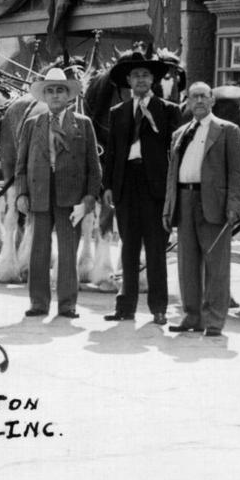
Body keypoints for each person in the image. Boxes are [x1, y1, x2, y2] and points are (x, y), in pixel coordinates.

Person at [101, 49, 181, 325]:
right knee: (128, 247)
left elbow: (175, 153)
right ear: (129, 81)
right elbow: (112, 153)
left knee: (156, 248)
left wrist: (173, 192)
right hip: (126, 185)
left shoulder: (169, 111)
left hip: (155, 186)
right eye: (136, 75)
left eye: (146, 75)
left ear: (153, 80)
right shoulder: (119, 112)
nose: (141, 80)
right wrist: (108, 185)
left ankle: (158, 308)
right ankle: (126, 307)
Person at [14, 67, 102, 319]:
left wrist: (89, 198)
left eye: (60, 91)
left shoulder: (83, 125)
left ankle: (67, 304)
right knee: (39, 251)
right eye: (50, 91)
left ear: (68, 96)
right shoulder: (33, 124)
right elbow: (21, 164)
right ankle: (38, 302)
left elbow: (94, 167)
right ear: (44, 96)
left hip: (70, 196)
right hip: (39, 193)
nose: (55, 96)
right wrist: (22, 193)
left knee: (67, 251)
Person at [162, 82, 240, 337]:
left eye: (203, 96)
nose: (198, 101)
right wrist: (168, 207)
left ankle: (214, 321)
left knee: (216, 265)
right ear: (187, 102)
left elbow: (236, 172)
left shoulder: (227, 130)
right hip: (184, 200)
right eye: (193, 97)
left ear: (212, 101)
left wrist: (233, 205)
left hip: (213, 204)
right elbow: (171, 174)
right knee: (187, 264)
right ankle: (191, 316)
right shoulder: (180, 134)